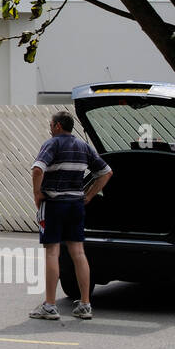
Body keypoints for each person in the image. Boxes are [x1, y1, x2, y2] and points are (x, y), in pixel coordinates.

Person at [29, 110, 112, 320]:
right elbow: (106, 172)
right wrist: (90, 195)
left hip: (55, 204)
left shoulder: (52, 144)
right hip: (76, 205)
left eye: (51, 124)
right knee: (78, 253)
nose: (50, 127)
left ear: (57, 126)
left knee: (52, 253)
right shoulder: (83, 146)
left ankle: (49, 305)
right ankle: (85, 304)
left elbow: (38, 170)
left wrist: (37, 194)